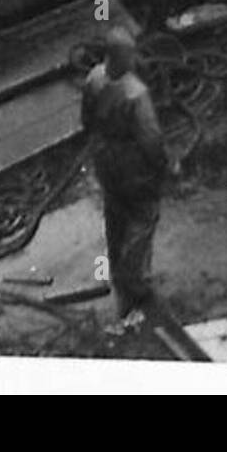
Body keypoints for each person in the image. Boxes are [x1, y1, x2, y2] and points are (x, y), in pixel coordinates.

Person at [80, 26, 170, 331]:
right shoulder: (136, 93)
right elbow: (151, 138)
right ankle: (134, 283)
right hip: (132, 164)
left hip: (104, 157)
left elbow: (86, 119)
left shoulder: (93, 77)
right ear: (123, 56)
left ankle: (117, 270)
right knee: (144, 217)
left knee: (114, 213)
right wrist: (163, 167)